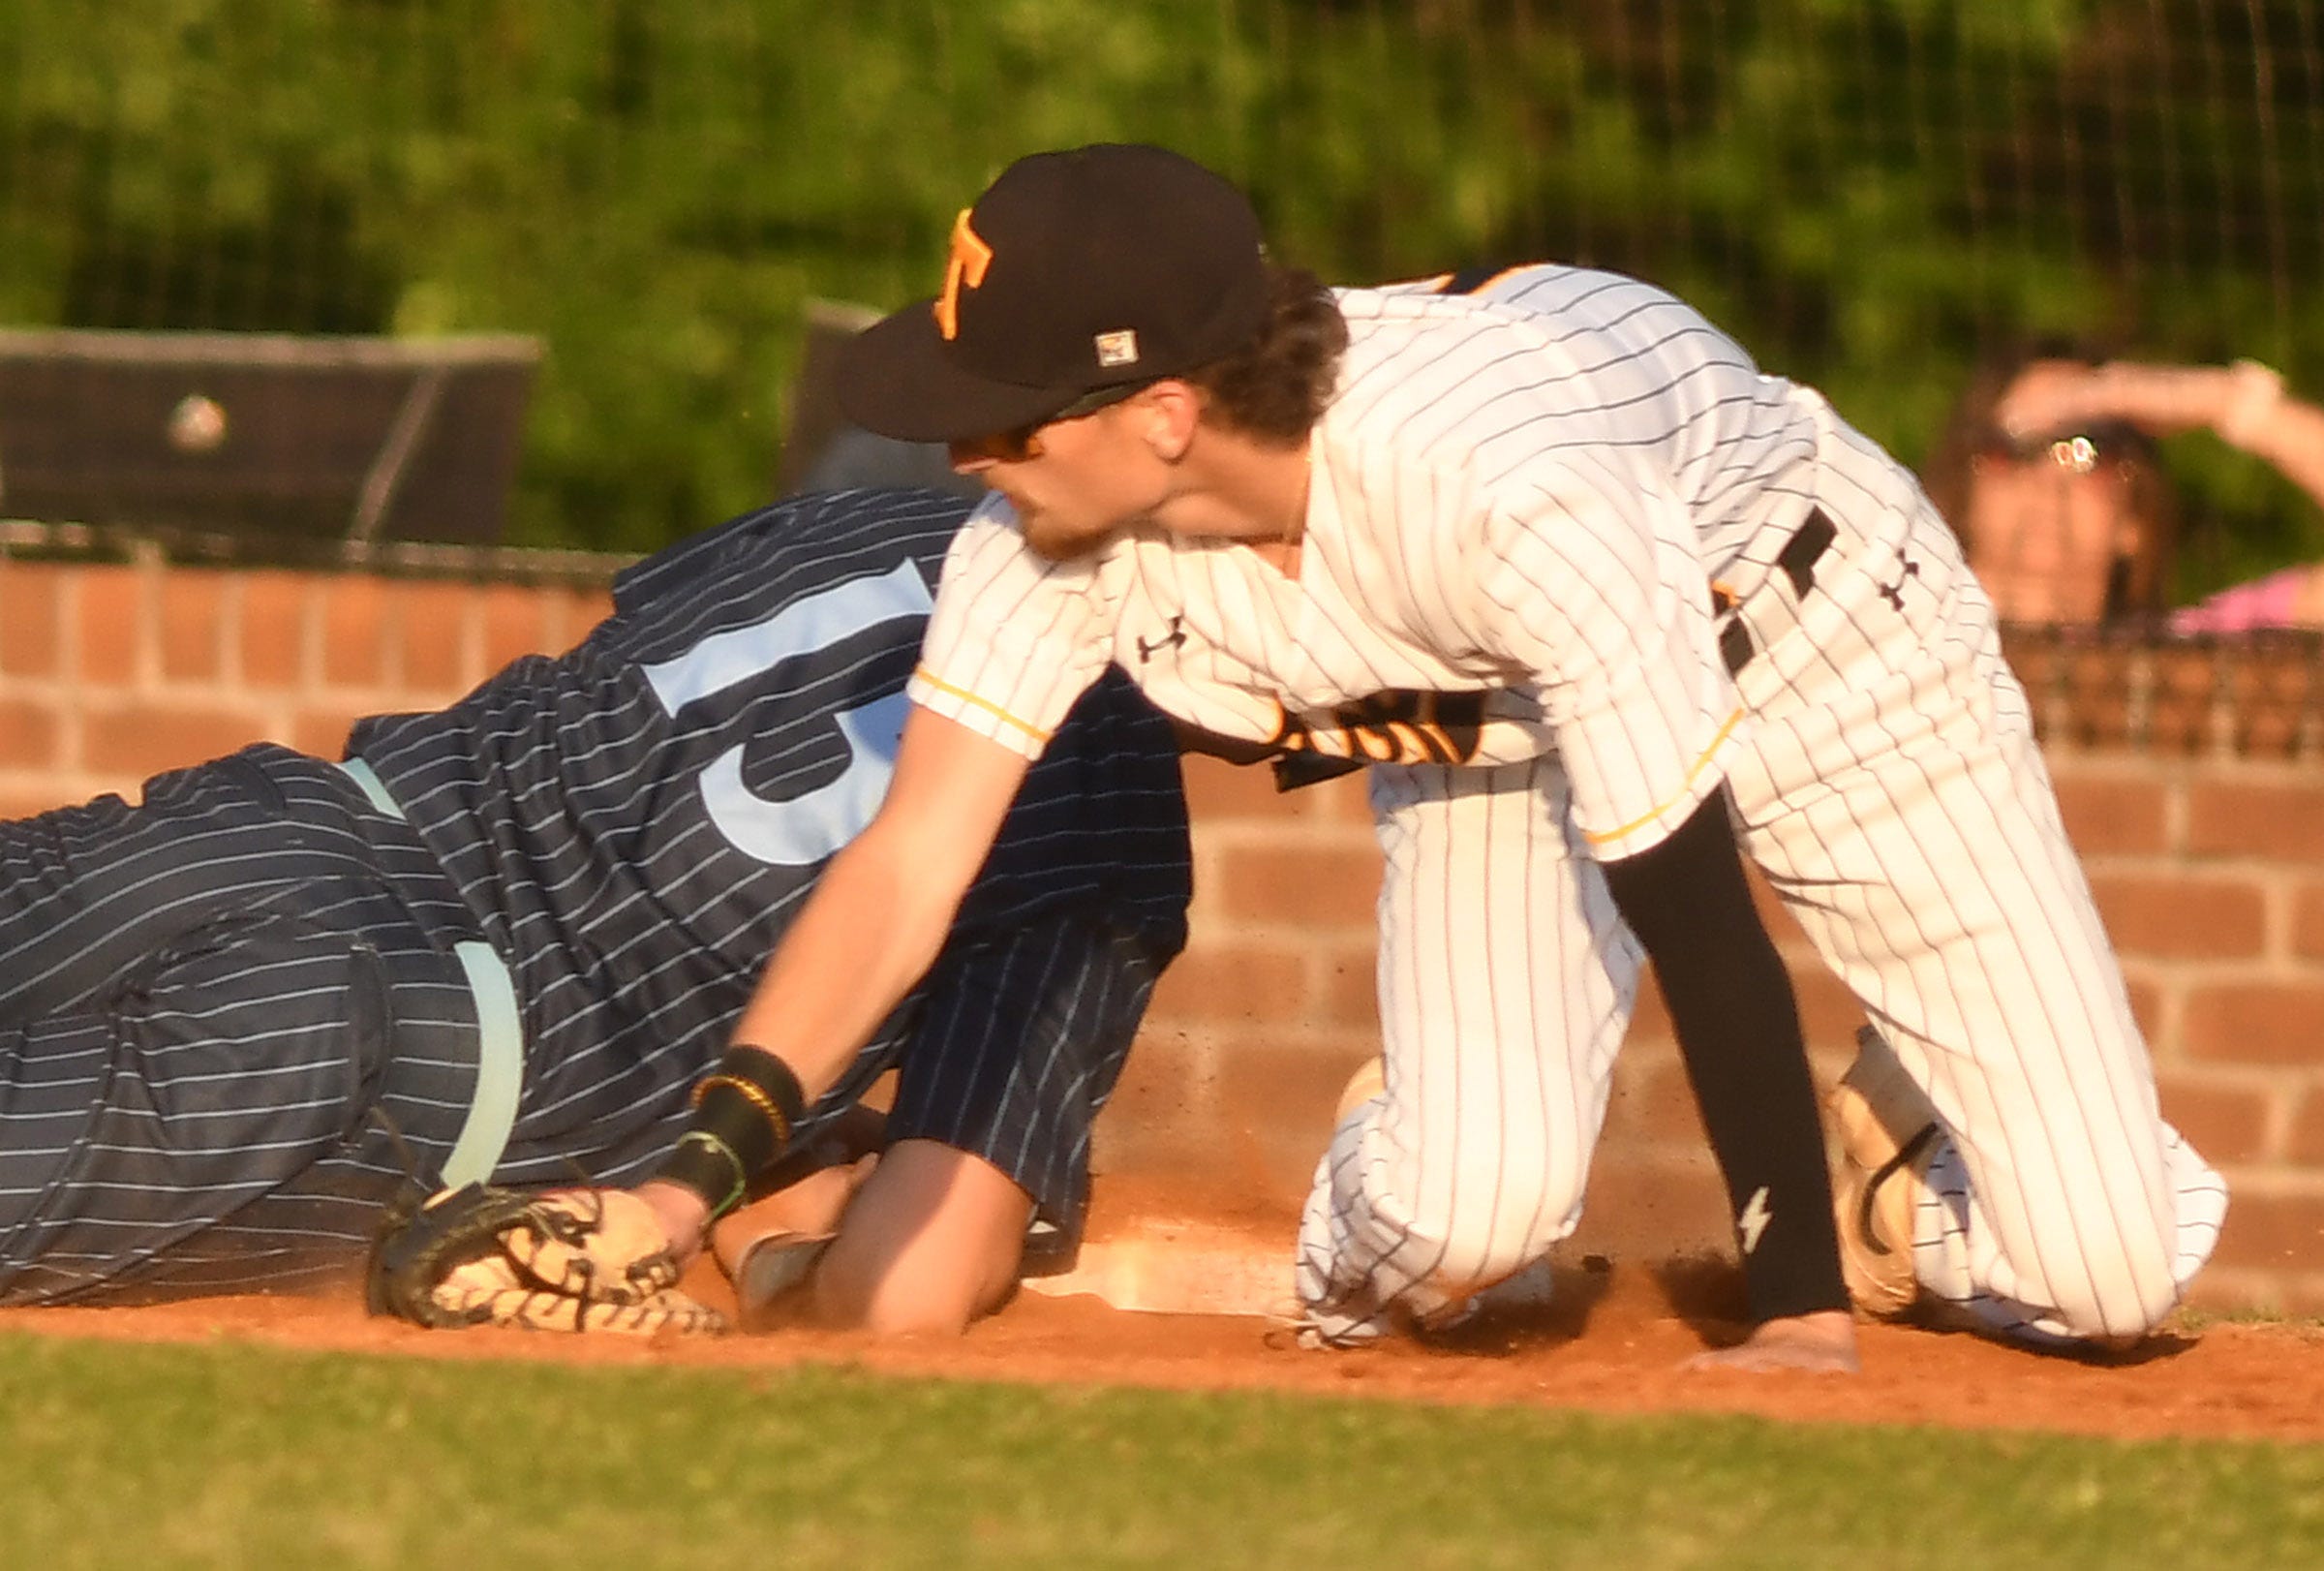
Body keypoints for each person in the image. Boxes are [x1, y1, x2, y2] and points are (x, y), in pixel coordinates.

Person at [651, 141, 2236, 1371]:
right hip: (1503, 715)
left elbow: (1695, 904)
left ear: (1166, 413)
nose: (966, 451)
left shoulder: (1499, 483)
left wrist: (1800, 1309)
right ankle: (1417, 1152)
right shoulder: (1054, 540)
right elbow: (910, 860)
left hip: (1819, 628)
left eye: (1008, 415)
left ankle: (1893, 1196)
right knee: (1456, 1224)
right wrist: (688, 1183)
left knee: (2108, 1269)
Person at [0, 485, 1191, 1335]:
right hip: (403, 1038)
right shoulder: (1106, 797)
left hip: (264, 818)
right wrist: (775, 1227)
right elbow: (909, 1283)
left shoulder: (893, 514)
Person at [1927, 353, 2324, 631]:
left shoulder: (2192, 655)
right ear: (1965, 493)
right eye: (2011, 450)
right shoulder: (1892, 644)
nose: (2049, 480)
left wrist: (2223, 401)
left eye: (2086, 452)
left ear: (2133, 521)